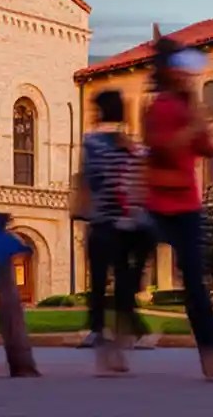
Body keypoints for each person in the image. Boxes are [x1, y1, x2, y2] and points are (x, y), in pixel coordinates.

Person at [143, 37, 213, 381]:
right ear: (169, 72)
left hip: (188, 204)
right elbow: (164, 147)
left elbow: (211, 148)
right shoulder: (158, 108)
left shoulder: (187, 107)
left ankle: (211, 349)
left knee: (195, 282)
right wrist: (191, 125)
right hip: (157, 204)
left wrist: (200, 119)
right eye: (181, 70)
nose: (188, 76)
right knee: (135, 268)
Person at [81, 89, 153, 374]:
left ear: (100, 112)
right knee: (123, 278)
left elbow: (91, 179)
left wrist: (84, 211)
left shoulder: (93, 144)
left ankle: (99, 329)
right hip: (128, 222)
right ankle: (128, 328)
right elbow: (140, 182)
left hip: (103, 221)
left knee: (99, 279)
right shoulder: (133, 147)